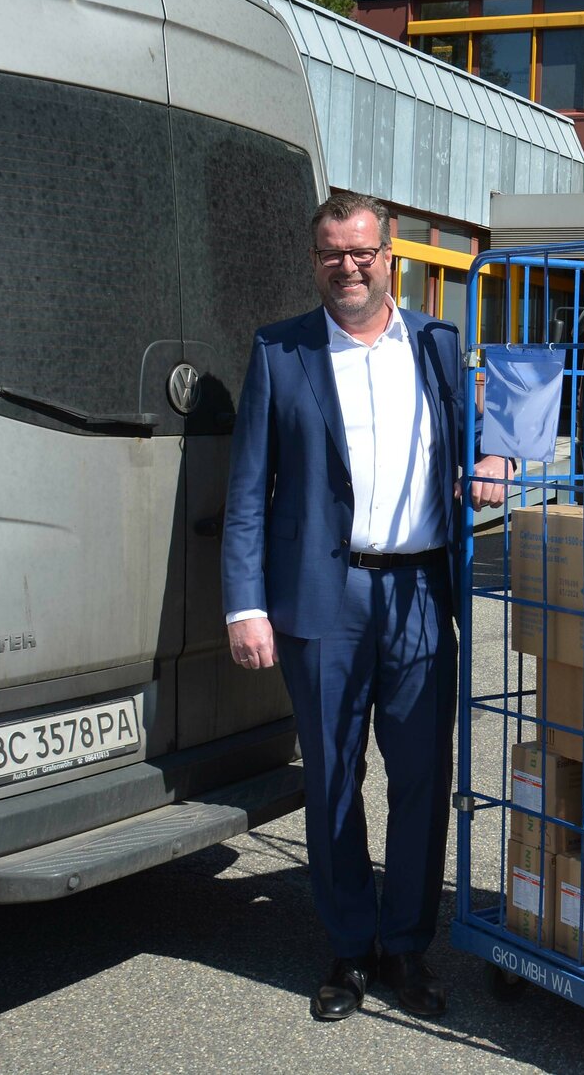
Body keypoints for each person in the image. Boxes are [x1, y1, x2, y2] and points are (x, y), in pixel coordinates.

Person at [222, 192, 508, 1022]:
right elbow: (247, 494)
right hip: (325, 595)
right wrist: (246, 604)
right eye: (330, 253)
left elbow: (488, 432)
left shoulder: (439, 345)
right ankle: (350, 946)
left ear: (391, 256)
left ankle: (408, 947)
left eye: (362, 252)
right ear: (314, 260)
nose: (348, 266)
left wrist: (496, 455)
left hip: (421, 589)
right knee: (336, 778)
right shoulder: (281, 353)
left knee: (422, 776)